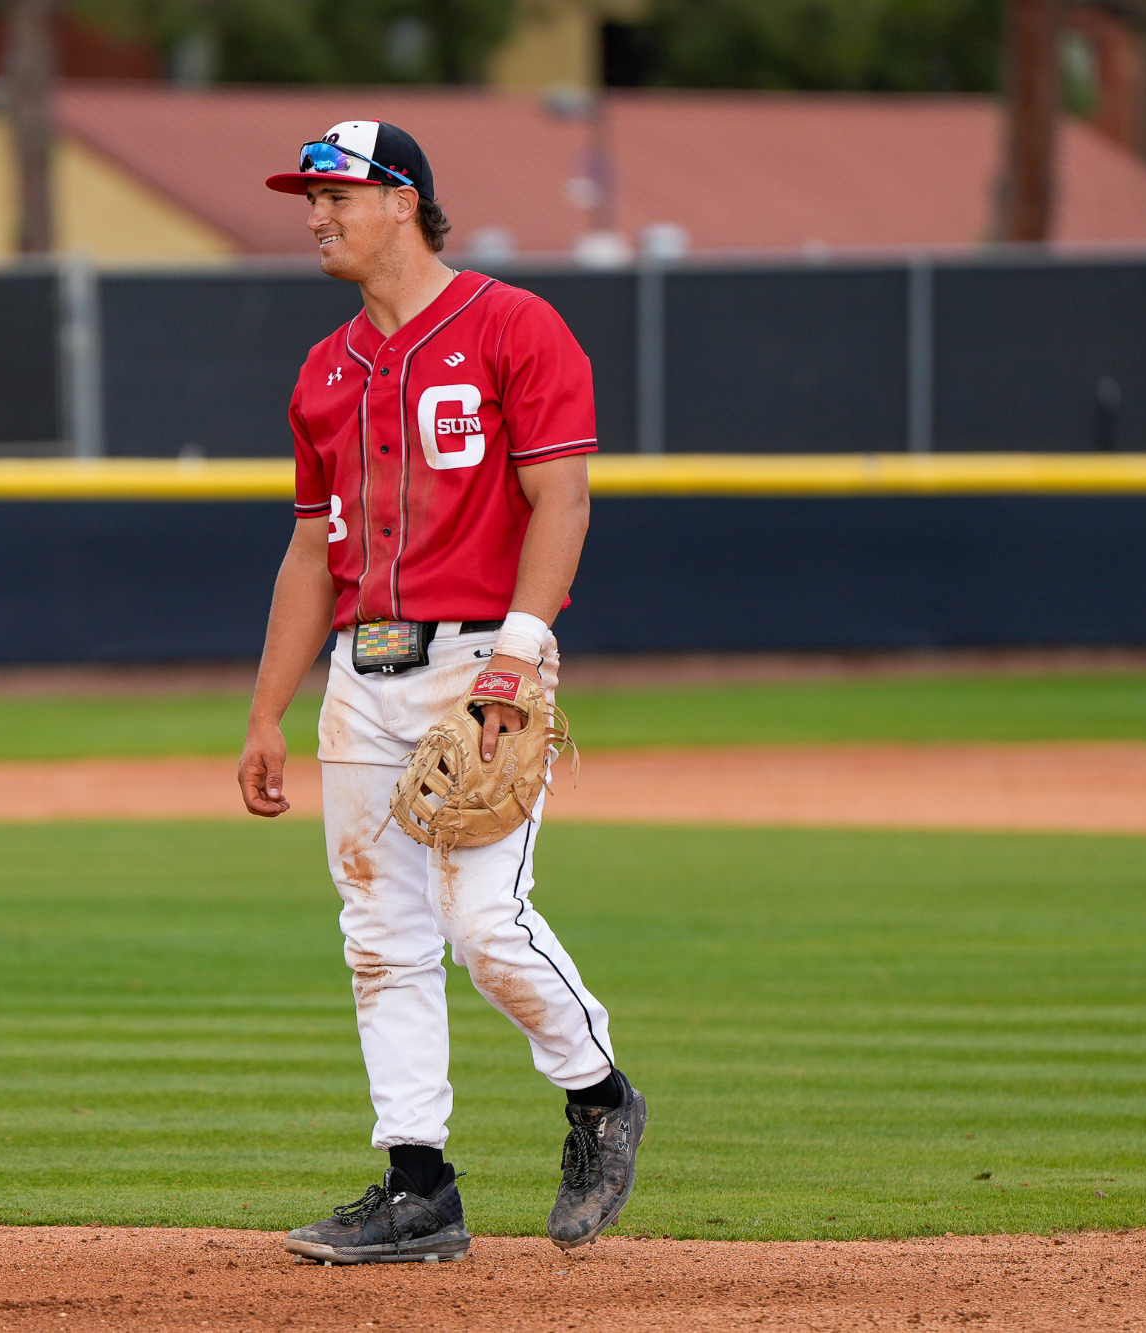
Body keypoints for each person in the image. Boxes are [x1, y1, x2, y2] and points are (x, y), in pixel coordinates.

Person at [238, 121, 646, 1264]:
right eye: (308, 198)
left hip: (482, 662)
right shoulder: (323, 370)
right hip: (360, 671)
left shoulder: (514, 325)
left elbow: (561, 500)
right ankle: (417, 1186)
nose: (315, 216)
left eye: (335, 195)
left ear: (402, 202)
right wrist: (267, 710)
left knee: (482, 924)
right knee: (379, 934)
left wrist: (519, 653)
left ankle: (599, 1095)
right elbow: (311, 552)